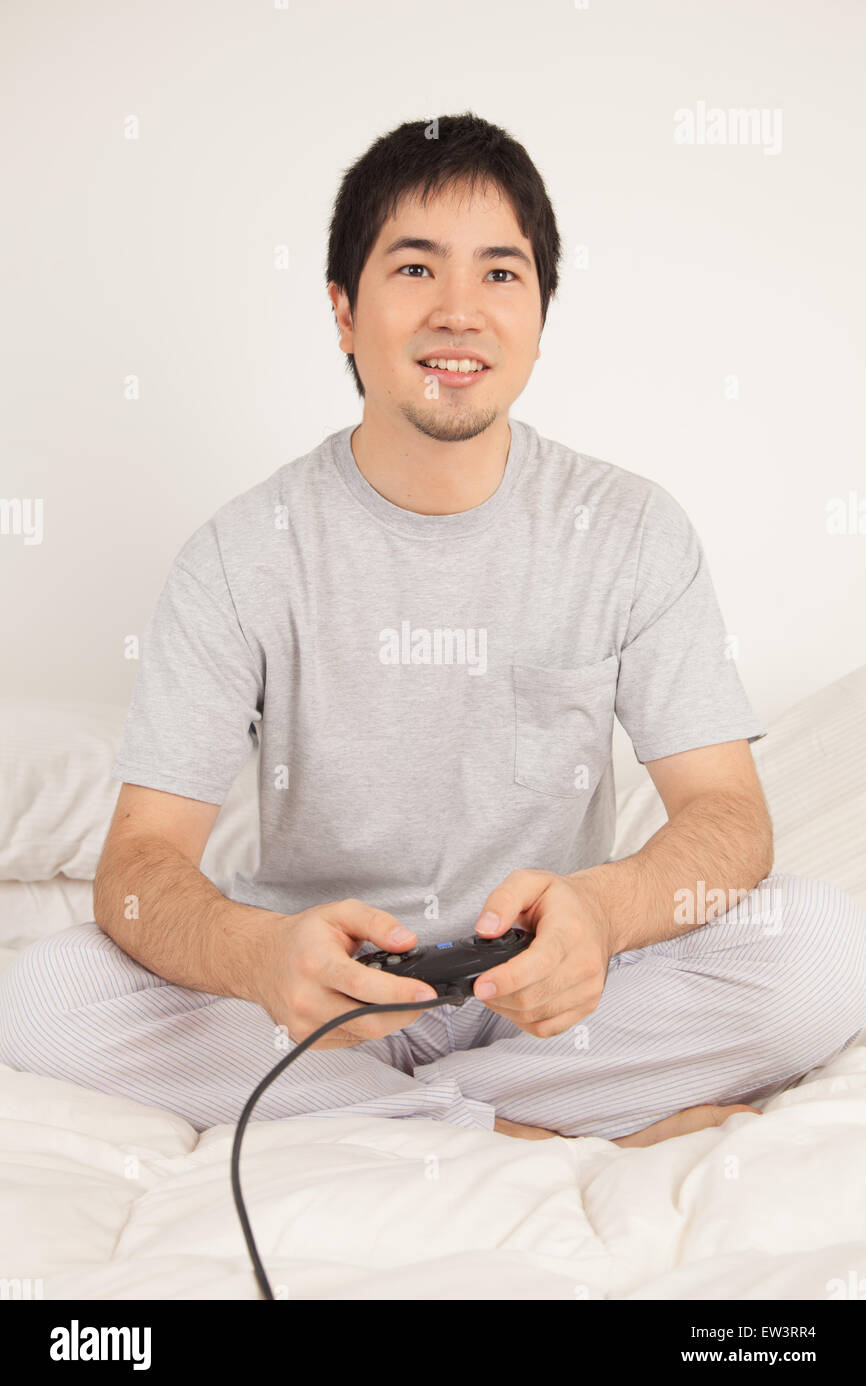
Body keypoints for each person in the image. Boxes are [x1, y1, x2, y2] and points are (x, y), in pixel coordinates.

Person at [2, 113, 864, 1145]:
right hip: (321, 1011)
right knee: (41, 996)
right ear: (342, 311)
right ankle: (507, 1132)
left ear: (540, 313)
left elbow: (727, 819)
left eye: (500, 275)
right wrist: (258, 957)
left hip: (547, 1000)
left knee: (824, 949)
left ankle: (403, 1126)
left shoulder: (630, 529)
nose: (459, 312)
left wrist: (602, 914)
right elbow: (140, 863)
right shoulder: (240, 553)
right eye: (414, 268)